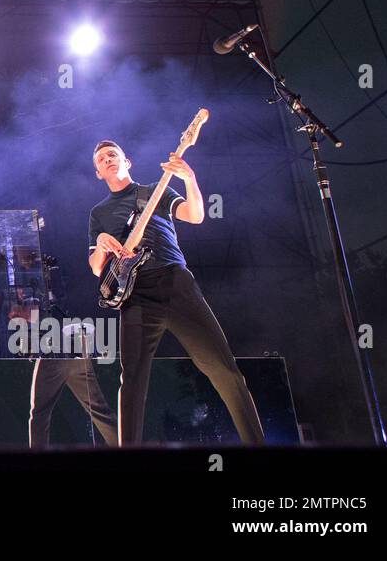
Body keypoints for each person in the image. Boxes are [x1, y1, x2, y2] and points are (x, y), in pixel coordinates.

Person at [88, 140, 263, 445]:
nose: (108, 160)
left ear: (127, 161)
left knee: (224, 369)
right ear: (98, 173)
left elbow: (195, 216)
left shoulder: (155, 190)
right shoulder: (99, 213)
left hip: (175, 283)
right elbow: (94, 267)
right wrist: (102, 242)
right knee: (132, 380)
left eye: (113, 155)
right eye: (102, 159)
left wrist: (189, 179)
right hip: (135, 294)